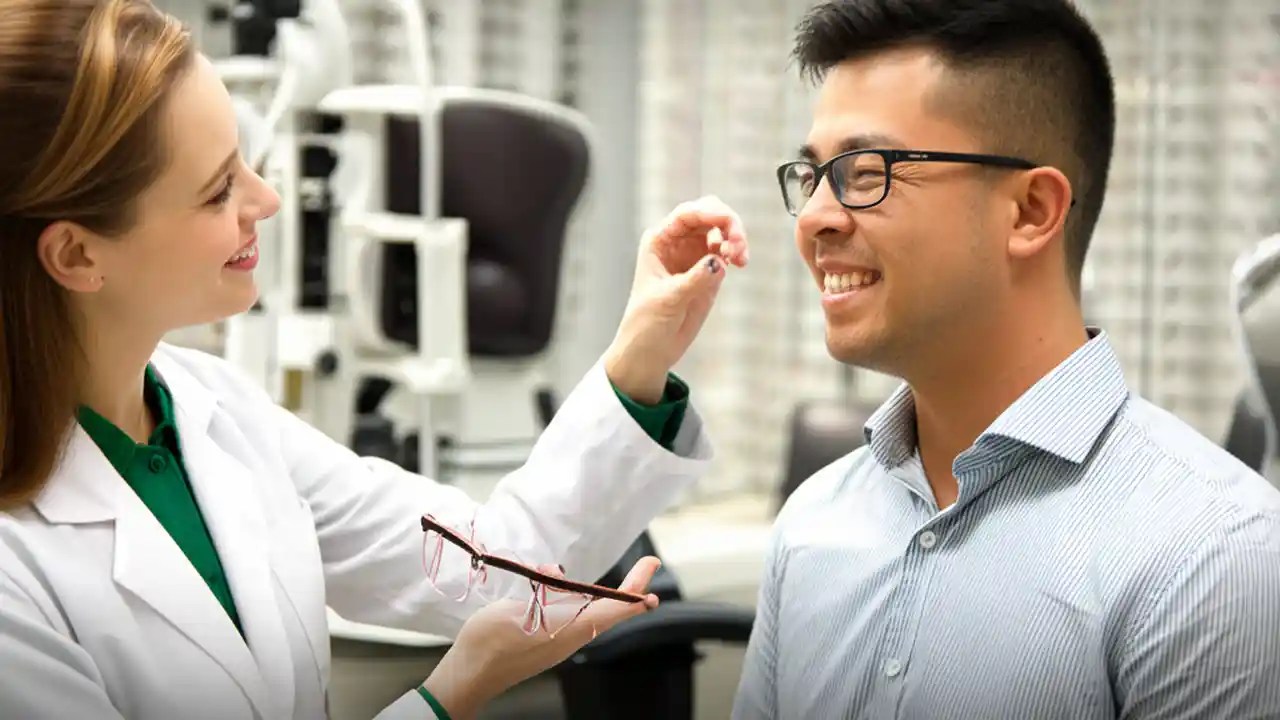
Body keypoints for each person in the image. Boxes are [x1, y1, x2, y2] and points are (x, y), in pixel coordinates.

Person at [0, 1, 751, 718]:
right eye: (218, 190)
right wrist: (450, 694)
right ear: (77, 255)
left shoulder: (215, 412)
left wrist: (643, 349)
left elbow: (496, 566)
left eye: (246, 165)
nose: (266, 200)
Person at [733, 1, 1280, 718]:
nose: (813, 219)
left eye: (866, 173)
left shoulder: (1214, 554)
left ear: (1030, 211)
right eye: (812, 177)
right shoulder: (813, 520)